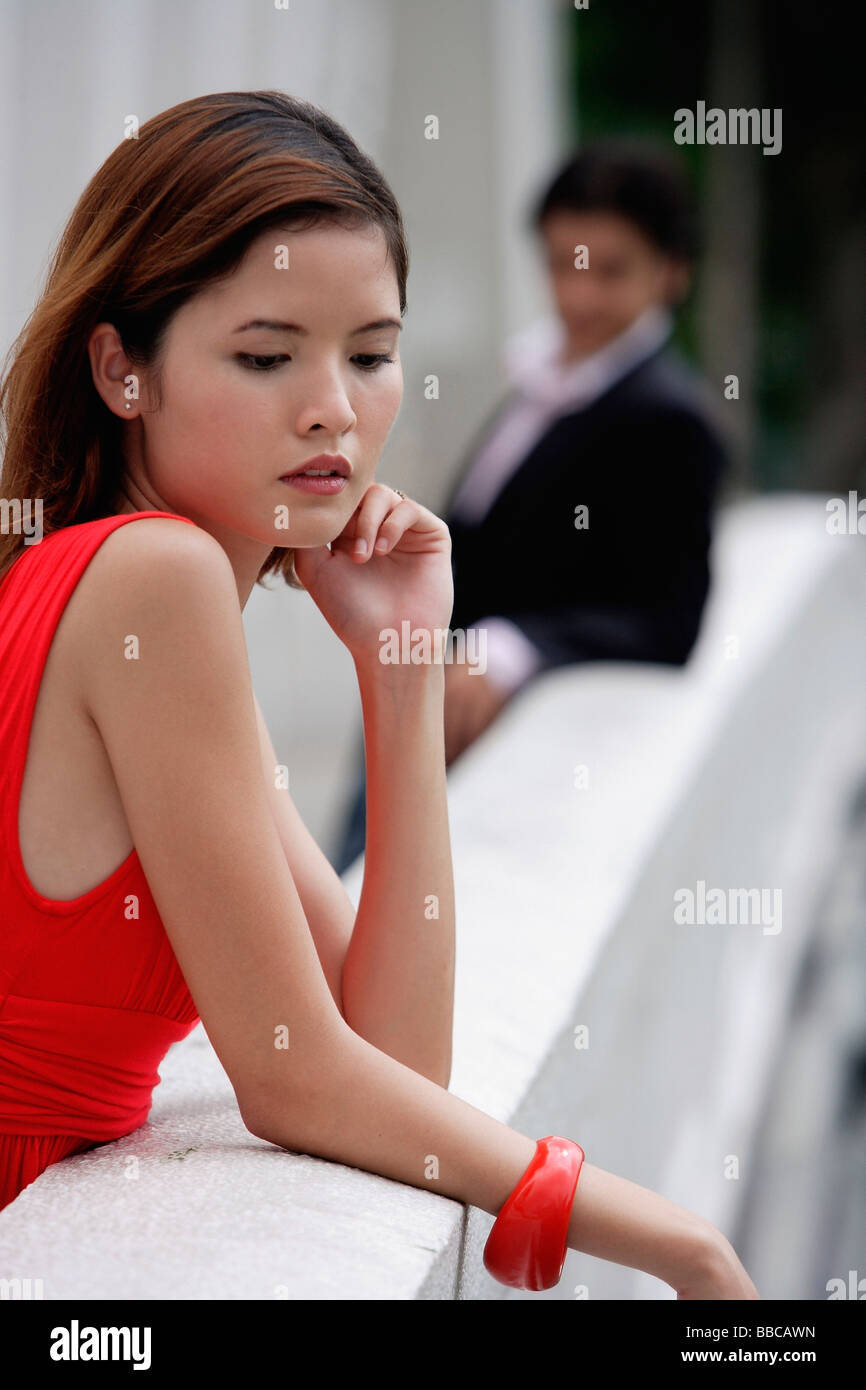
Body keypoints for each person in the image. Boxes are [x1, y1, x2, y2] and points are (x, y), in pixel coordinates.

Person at [0, 90, 756, 1299]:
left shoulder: (124, 583)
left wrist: (401, 666)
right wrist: (672, 1238)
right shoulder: (158, 578)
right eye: (265, 354)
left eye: (369, 353)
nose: (334, 411)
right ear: (120, 368)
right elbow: (295, 1079)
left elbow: (390, 1058)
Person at [333, 141, 728, 873]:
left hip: (486, 733)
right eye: (561, 266)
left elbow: (670, 621)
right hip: (420, 696)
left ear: (671, 272)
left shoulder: (670, 421)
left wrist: (516, 647)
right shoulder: (547, 376)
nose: (578, 297)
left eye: (611, 271)